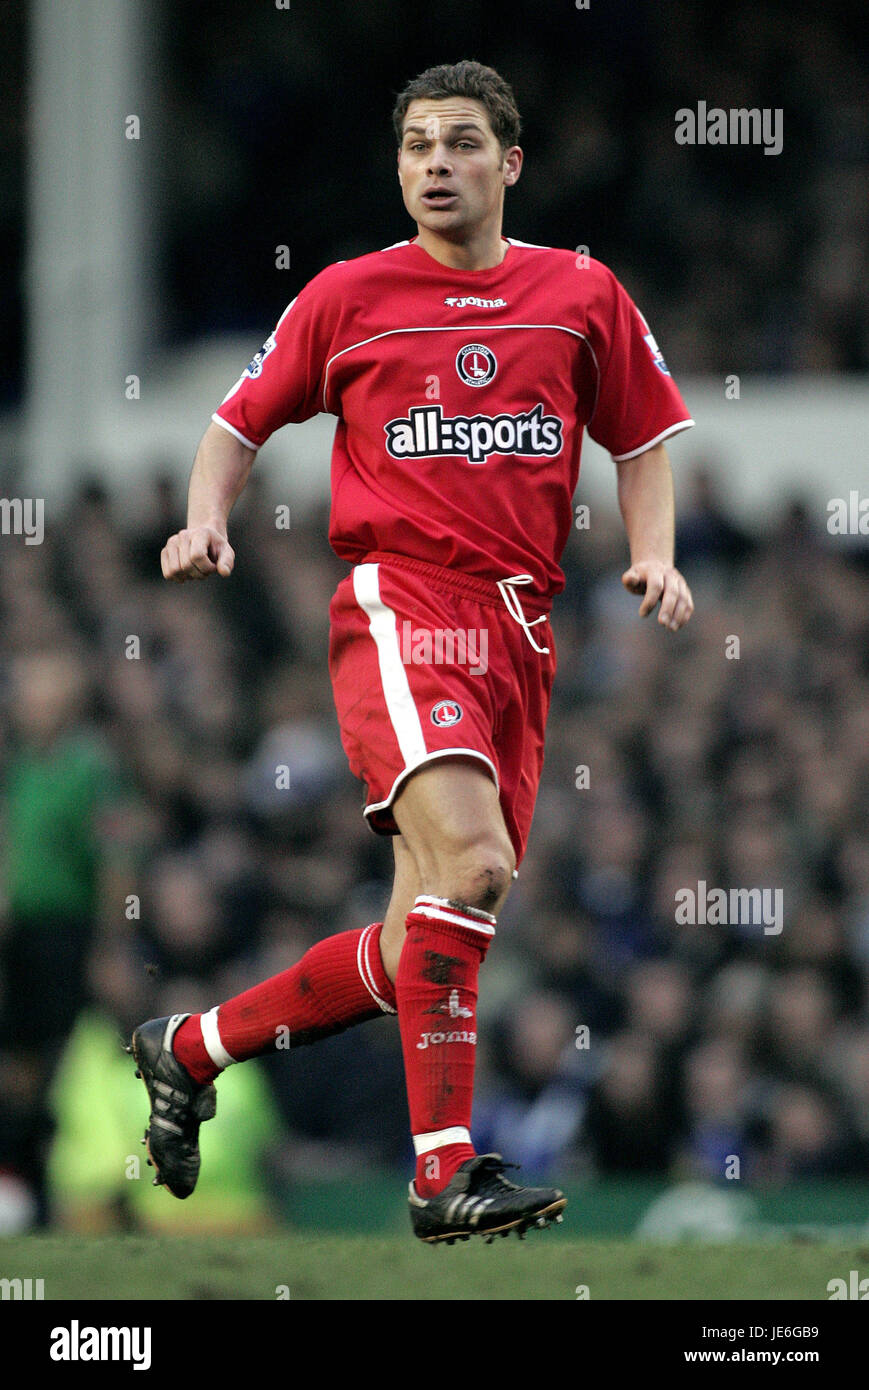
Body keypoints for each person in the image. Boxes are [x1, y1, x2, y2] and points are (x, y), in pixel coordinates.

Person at [129, 59, 694, 1244]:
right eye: (416, 147)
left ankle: (189, 1048)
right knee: (475, 867)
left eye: (460, 143)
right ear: (399, 170)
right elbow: (237, 422)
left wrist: (655, 553)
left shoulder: (579, 293)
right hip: (401, 603)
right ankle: (441, 1170)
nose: (435, 163)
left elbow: (640, 433)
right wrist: (203, 516)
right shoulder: (345, 296)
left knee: (411, 944)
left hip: (522, 630)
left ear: (510, 164)